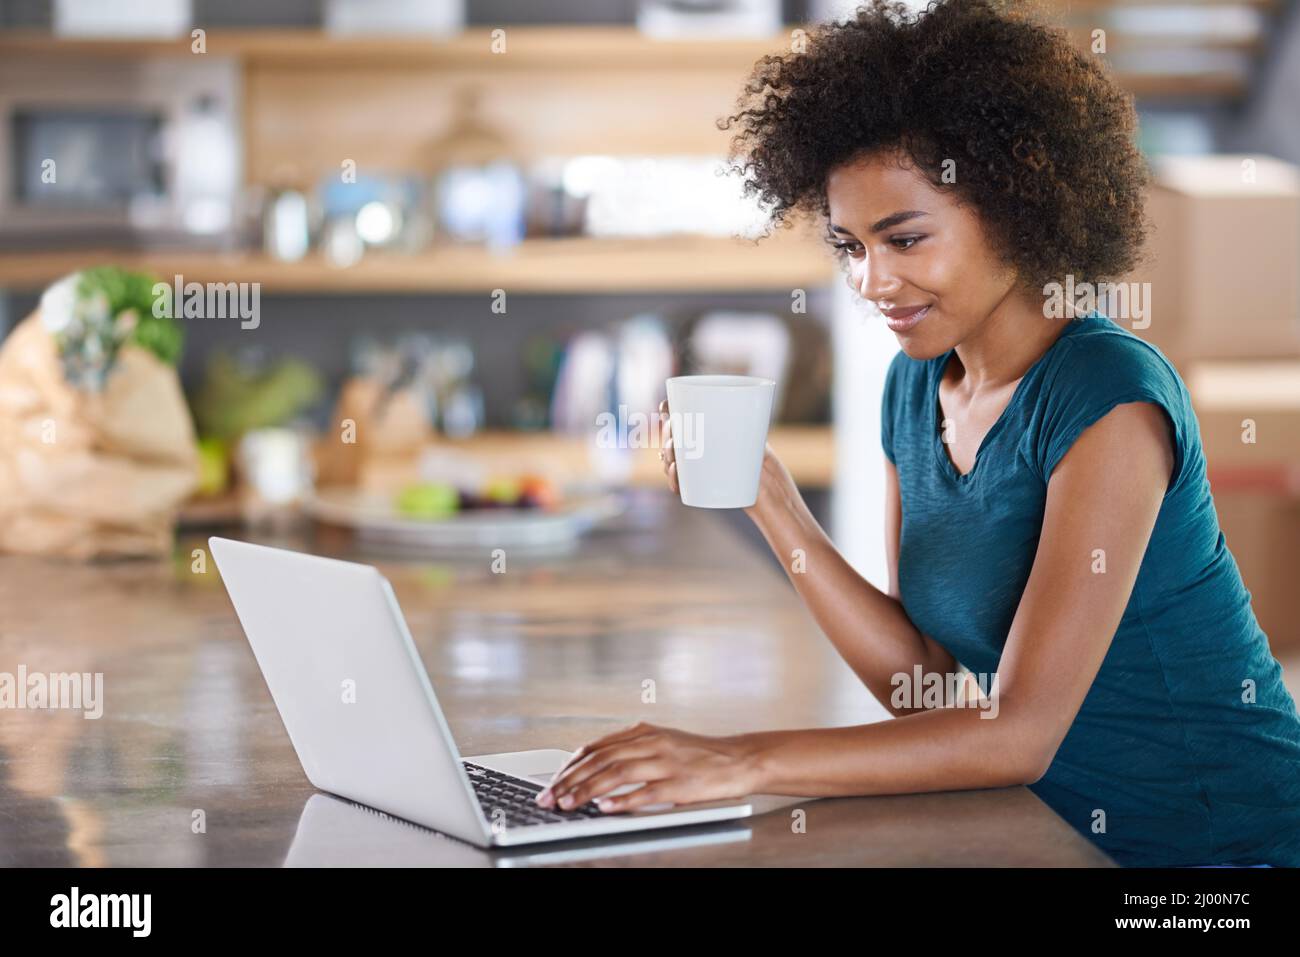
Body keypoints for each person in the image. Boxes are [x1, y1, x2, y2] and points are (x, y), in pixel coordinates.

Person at [535, 0, 1300, 867]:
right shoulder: (914, 385)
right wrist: (773, 505)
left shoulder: (1108, 396)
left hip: (1217, 863)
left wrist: (739, 759)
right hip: (1042, 836)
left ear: (1016, 205)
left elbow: (1017, 736)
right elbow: (926, 685)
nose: (872, 281)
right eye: (850, 245)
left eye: (904, 239)